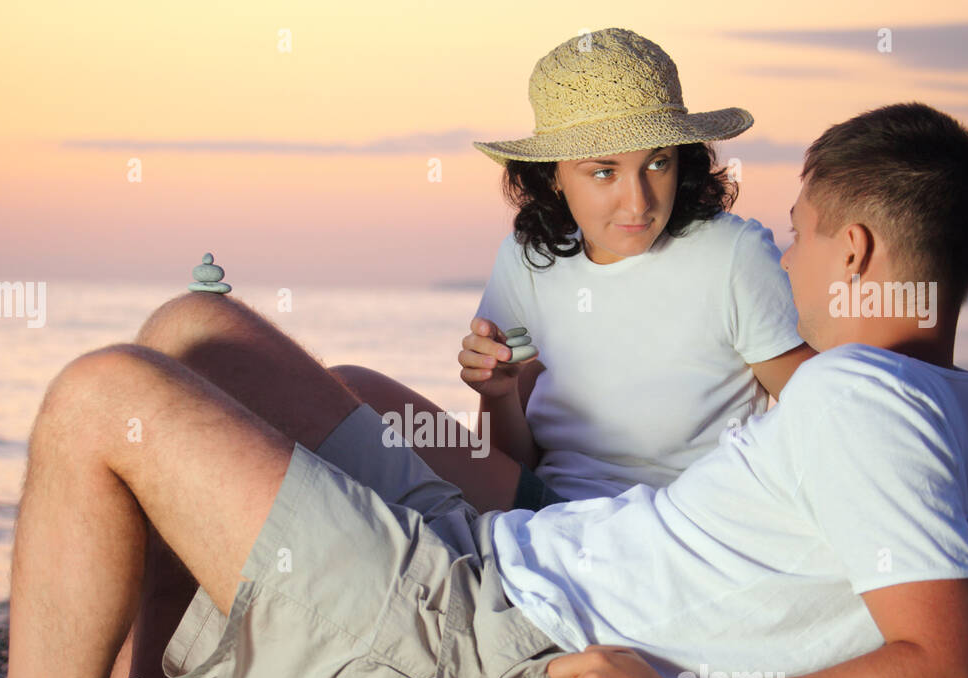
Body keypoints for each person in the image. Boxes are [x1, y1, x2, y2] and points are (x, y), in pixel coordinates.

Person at [0, 101, 968, 678]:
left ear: (854, 252)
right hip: (492, 570)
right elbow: (955, 598)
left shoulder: (861, 396)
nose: (781, 253)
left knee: (97, 398)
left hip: (475, 645)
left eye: (797, 233)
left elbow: (951, 662)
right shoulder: (926, 407)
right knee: (194, 327)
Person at [330, 28, 815, 514]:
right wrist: (498, 395)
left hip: (677, 526)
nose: (638, 201)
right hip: (545, 515)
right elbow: (511, 462)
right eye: (604, 172)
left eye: (657, 163)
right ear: (554, 176)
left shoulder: (732, 255)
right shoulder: (526, 259)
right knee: (346, 388)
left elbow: (821, 417)